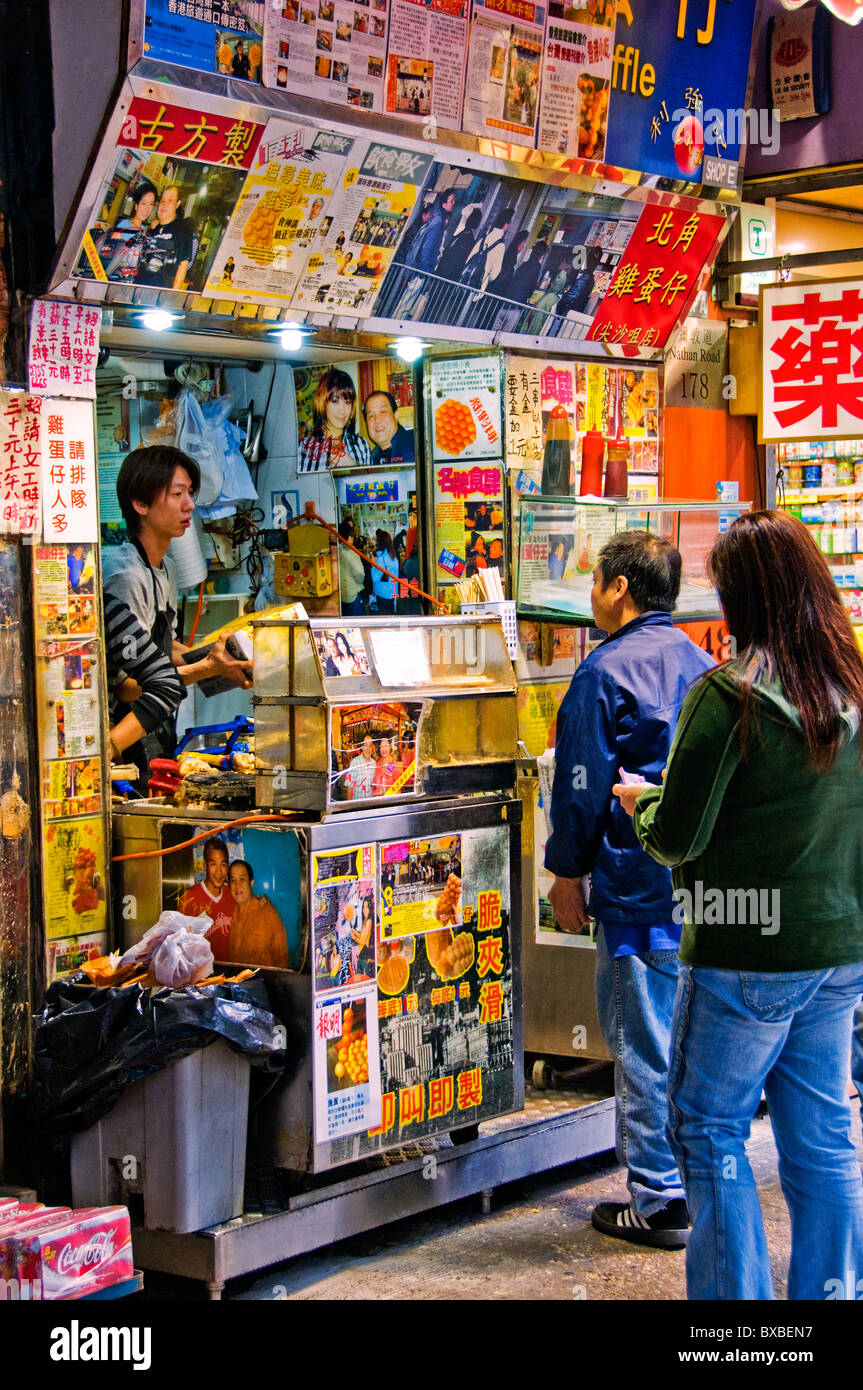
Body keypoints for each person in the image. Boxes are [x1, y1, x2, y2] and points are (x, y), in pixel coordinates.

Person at [615, 510, 863, 1299]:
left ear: (744, 599)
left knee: (711, 1130)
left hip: (743, 945)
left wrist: (637, 804)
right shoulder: (851, 685)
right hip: (839, 948)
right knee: (822, 1136)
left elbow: (679, 837)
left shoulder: (729, 695)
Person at [546, 531, 714, 1248]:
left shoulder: (602, 672)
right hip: (701, 895)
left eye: (595, 582)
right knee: (688, 1046)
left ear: (617, 588)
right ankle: (695, 1184)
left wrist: (564, 873)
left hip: (633, 891)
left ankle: (656, 1198)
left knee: (642, 1044)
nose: (592, 595)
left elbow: (581, 789)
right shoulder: (705, 665)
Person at [103, 445, 252, 790]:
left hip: (157, 733)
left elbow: (161, 650)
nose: (190, 505)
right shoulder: (124, 576)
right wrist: (207, 668)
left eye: (190, 493)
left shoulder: (164, 568)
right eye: (177, 494)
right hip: (123, 742)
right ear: (140, 504)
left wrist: (227, 657)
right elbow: (129, 687)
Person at [297, 368, 372, 473]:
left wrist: (354, 467)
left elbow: (370, 486)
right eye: (335, 401)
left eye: (347, 402)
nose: (342, 411)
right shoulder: (303, 448)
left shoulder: (360, 445)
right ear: (323, 403)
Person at [227, 860, 290, 968]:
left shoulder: (267, 913)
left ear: (251, 883)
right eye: (233, 880)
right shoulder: (232, 912)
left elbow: (282, 959)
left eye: (242, 879)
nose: (237, 886)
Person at [179, 837, 234, 957]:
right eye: (213, 864)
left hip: (229, 971)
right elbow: (181, 946)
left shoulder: (232, 895)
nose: (219, 871)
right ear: (205, 865)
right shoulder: (189, 898)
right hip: (200, 972)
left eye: (223, 865)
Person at [96, 180, 157, 283]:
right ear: (136, 205)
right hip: (115, 278)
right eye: (143, 203)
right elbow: (108, 254)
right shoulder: (124, 225)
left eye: (150, 204)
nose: (147, 209)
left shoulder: (144, 230)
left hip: (130, 279)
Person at [135, 185, 194, 290]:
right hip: (137, 288)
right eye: (162, 201)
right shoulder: (151, 231)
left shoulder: (184, 230)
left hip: (159, 294)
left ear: (177, 204)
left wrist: (171, 293)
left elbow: (182, 267)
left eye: (170, 200)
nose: (164, 205)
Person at [362, 390, 415, 465]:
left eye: (383, 412)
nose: (377, 420)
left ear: (396, 415)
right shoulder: (372, 459)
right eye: (371, 416)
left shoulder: (417, 443)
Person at [338, 517, 366, 616]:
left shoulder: (336, 552)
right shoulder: (352, 554)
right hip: (352, 596)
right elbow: (360, 576)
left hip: (339, 597)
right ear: (350, 537)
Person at [371, 529, 399, 613]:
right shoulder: (393, 556)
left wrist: (372, 566)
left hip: (383, 593)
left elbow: (375, 578)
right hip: (392, 592)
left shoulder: (381, 559)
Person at [344, 734, 377, 799]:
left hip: (369, 804)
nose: (368, 749)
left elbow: (373, 786)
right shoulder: (355, 762)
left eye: (370, 746)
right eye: (365, 745)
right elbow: (349, 786)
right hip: (357, 804)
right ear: (361, 747)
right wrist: (349, 807)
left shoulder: (374, 763)